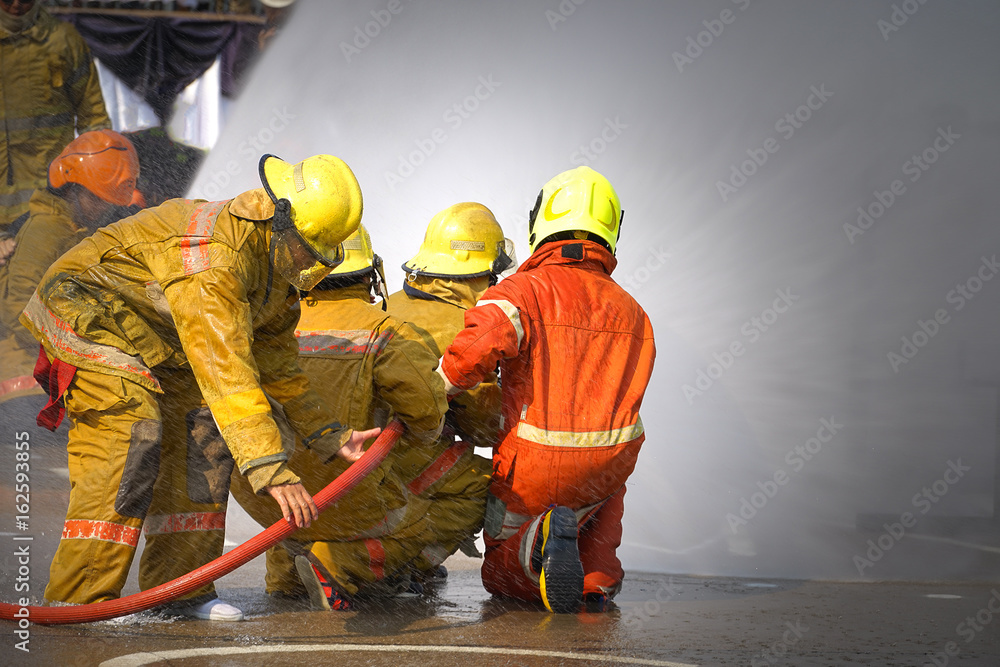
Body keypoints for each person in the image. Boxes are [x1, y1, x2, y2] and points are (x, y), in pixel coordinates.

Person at [19, 153, 378, 620]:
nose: (308, 267)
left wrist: (328, 433)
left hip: (157, 335)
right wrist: (267, 466)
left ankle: (179, 591)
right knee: (133, 430)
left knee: (204, 436)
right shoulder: (213, 261)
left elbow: (276, 364)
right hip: (87, 309)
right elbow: (225, 368)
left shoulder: (269, 264)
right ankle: (80, 599)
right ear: (280, 220)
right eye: (305, 251)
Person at [436, 167, 656, 613]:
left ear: (542, 222)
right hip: (608, 464)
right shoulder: (635, 313)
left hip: (535, 463)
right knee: (598, 509)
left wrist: (435, 388)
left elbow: (478, 348)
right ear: (612, 228)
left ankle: (535, 542)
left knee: (501, 573)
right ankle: (595, 582)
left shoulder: (523, 290)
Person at [230, 223, 449, 610]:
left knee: (298, 499)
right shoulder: (387, 332)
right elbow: (426, 419)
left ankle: (288, 580)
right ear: (372, 275)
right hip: (342, 498)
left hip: (264, 494)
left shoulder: (257, 324)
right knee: (425, 520)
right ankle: (340, 564)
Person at [385, 202, 511, 581]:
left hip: (356, 455)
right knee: (488, 488)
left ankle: (287, 578)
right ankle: (402, 565)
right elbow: (482, 426)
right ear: (479, 274)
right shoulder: (464, 326)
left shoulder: (390, 301)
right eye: (494, 274)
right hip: (405, 454)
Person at [0, 129, 139, 446]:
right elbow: (16, 310)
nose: (102, 208)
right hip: (24, 379)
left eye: (107, 202)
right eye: (95, 199)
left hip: (56, 373)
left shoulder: (79, 229)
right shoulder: (47, 229)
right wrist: (77, 347)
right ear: (70, 187)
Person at [0, 0, 110, 228]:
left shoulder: (64, 41)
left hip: (49, 205)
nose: (17, 5)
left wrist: (97, 182)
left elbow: (94, 120)